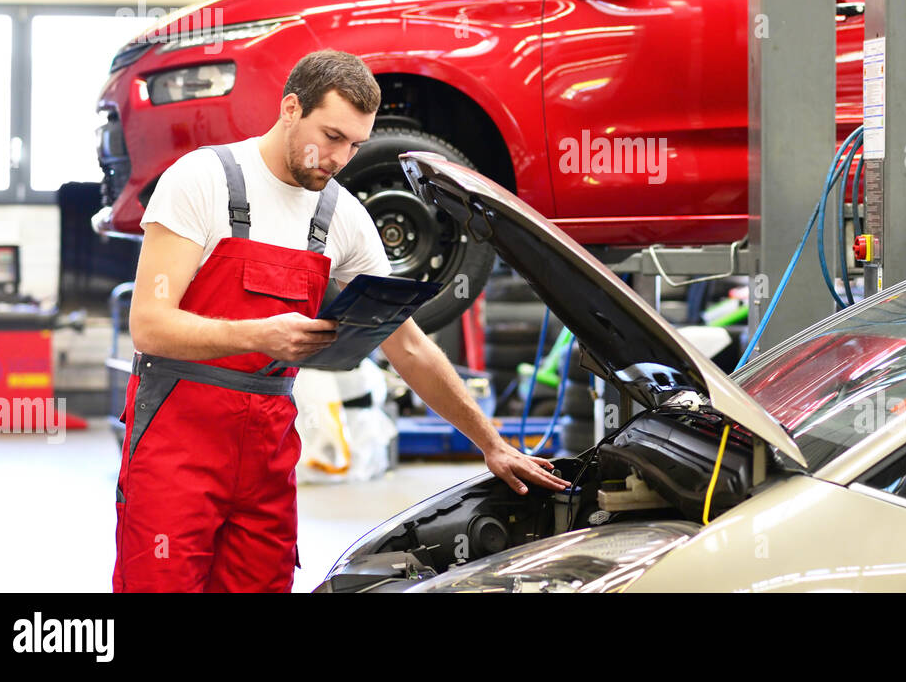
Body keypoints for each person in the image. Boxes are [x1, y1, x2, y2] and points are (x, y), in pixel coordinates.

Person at [113, 49, 567, 592]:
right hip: (178, 438)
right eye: (330, 136)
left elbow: (410, 348)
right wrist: (258, 334)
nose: (340, 158)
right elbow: (150, 325)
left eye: (354, 144)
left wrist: (491, 442)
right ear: (289, 109)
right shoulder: (202, 180)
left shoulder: (342, 216)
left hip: (266, 451)